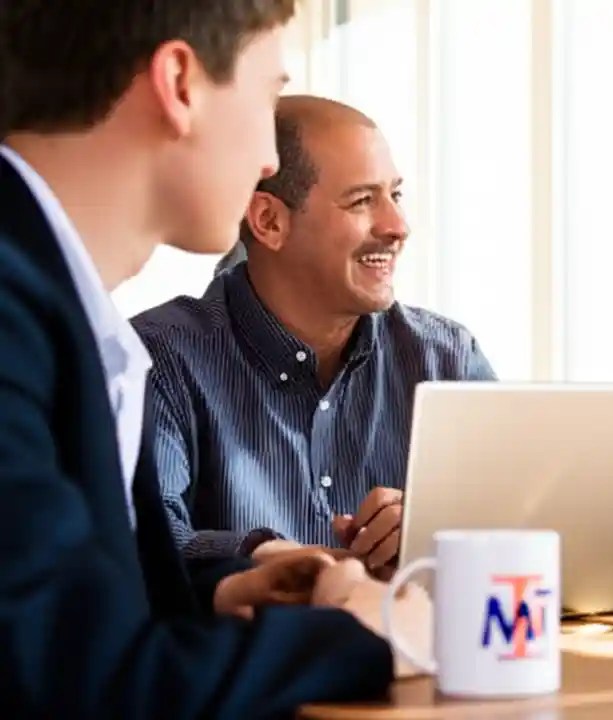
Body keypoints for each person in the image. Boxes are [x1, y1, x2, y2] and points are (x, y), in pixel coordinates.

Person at [0, 3, 425, 716]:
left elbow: (66, 621)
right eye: (266, 95)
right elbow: (78, 688)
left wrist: (220, 594)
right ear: (179, 83)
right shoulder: (16, 320)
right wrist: (367, 632)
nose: (268, 157)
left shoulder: (64, 314)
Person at [132, 96, 496, 574]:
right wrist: (286, 561)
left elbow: (528, 524)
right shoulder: (158, 359)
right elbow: (142, 544)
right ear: (268, 221)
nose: (397, 227)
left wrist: (441, 531)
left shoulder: (447, 360)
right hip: (254, 648)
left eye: (396, 195)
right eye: (363, 200)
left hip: (418, 647)